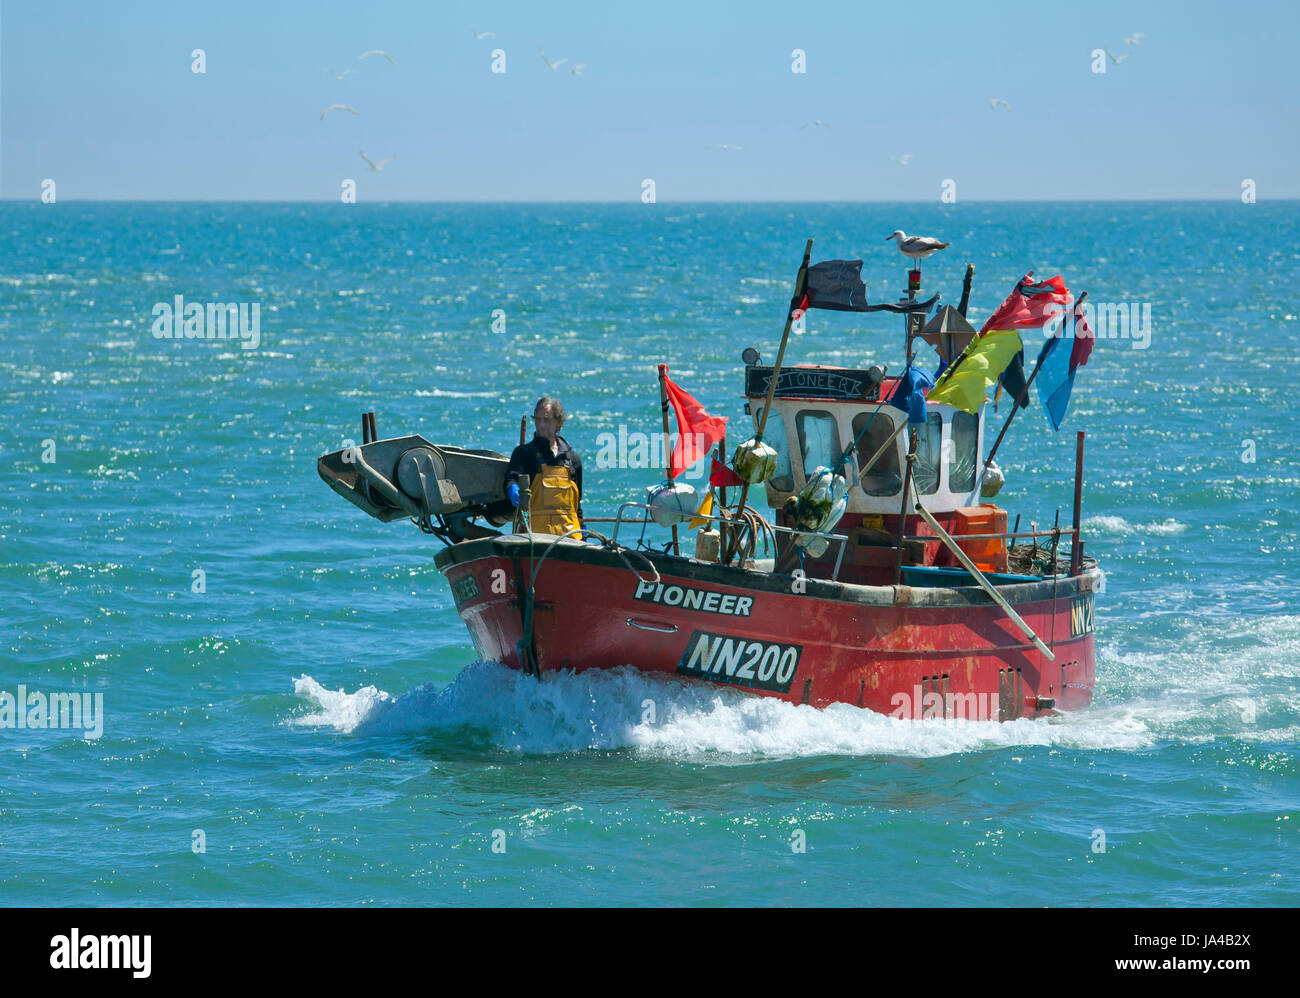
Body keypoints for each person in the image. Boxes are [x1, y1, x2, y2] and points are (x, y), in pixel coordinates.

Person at [506, 396, 584, 535]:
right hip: (535, 537)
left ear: (559, 423)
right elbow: (511, 479)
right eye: (538, 419)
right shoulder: (524, 453)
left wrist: (583, 531)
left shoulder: (573, 459)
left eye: (547, 420)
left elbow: (577, 505)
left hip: (570, 537)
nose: (541, 425)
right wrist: (513, 489)